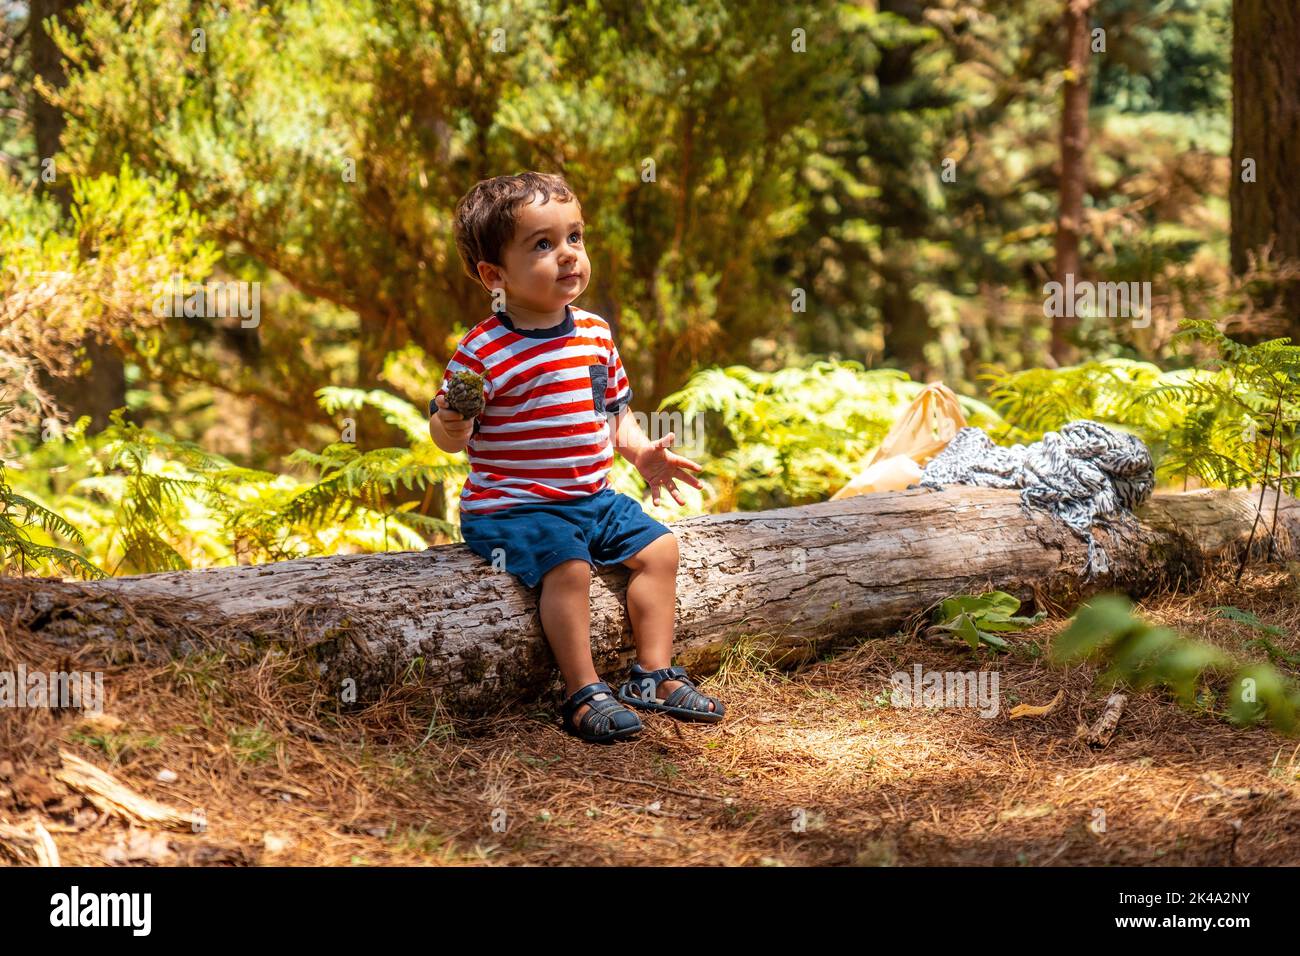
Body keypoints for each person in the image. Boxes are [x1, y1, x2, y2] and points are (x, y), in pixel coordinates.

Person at [429, 171, 725, 744]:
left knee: (661, 548)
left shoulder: (594, 333)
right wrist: (451, 421)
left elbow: (613, 410)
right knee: (568, 570)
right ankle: (582, 690)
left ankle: (652, 674)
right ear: (495, 276)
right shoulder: (482, 349)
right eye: (542, 244)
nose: (567, 256)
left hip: (591, 498)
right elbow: (448, 435)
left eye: (575, 237)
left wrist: (640, 452)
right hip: (514, 508)